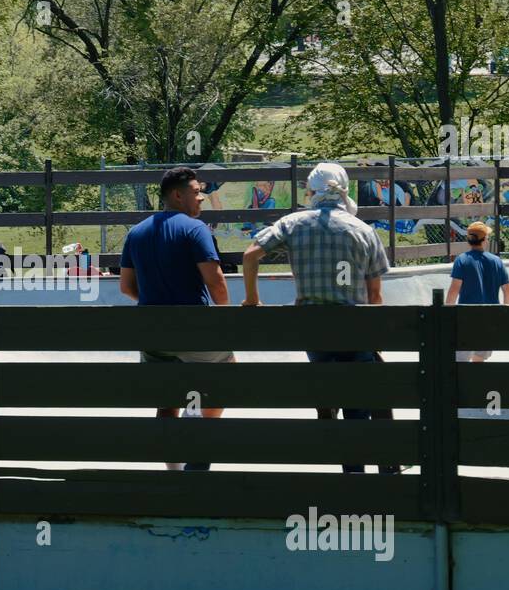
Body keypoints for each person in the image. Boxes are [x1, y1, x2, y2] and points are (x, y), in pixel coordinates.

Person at [242, 161, 390, 474]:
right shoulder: (364, 230)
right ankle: (364, 471)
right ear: (344, 188)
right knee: (362, 398)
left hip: (313, 330)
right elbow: (375, 296)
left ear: (311, 190)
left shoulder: (293, 222)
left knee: (327, 385)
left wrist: (253, 298)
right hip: (356, 328)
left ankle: (332, 428)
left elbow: (250, 254)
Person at [119, 166, 234, 472]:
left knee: (167, 401)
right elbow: (217, 282)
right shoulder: (195, 230)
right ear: (177, 195)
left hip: (152, 332)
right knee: (224, 377)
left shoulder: (136, 232)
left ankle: (172, 471)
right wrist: (225, 319)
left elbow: (126, 287)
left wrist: (156, 302)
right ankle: (197, 456)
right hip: (193, 328)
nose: (203, 198)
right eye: (197, 192)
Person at [446, 221, 509, 362]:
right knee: (479, 358)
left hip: (466, 318)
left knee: (460, 361)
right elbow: (507, 292)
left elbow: (453, 292)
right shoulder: (497, 261)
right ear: (485, 240)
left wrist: (446, 315)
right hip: (490, 318)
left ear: (468, 240)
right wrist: (506, 316)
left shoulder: (462, 260)